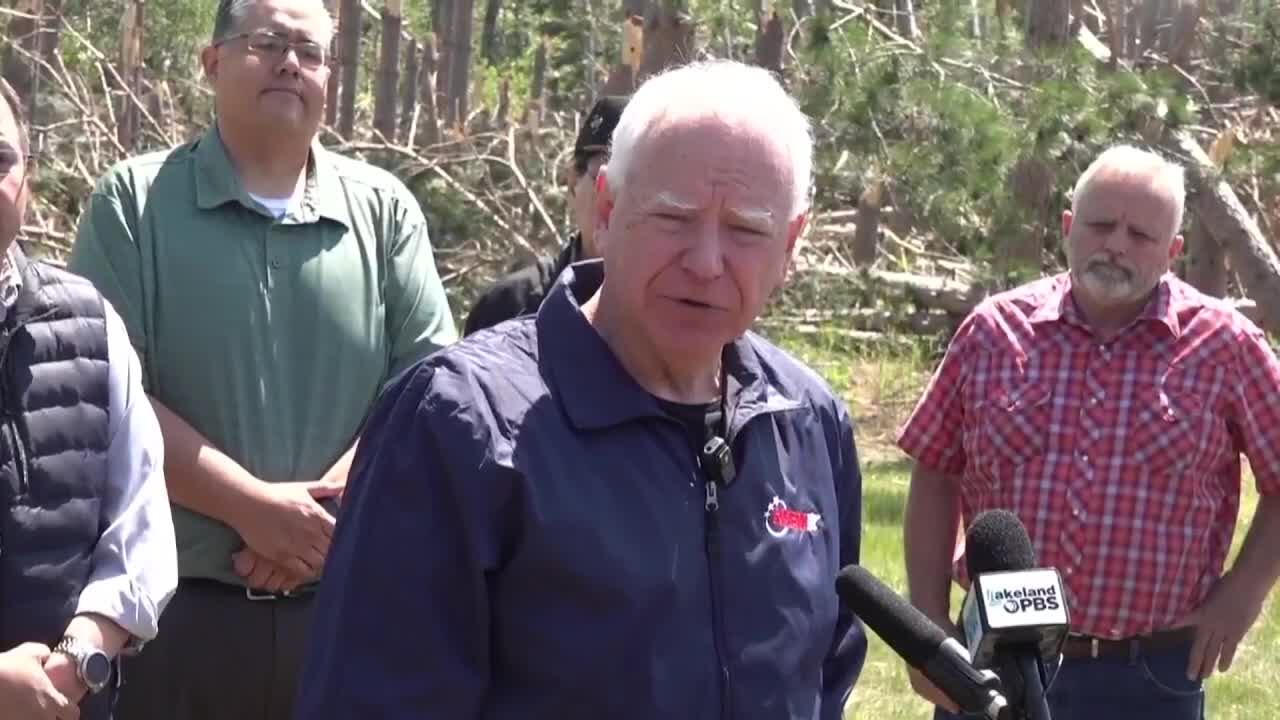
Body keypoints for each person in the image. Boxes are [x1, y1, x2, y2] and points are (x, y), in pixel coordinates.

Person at [295, 59, 867, 719]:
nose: (707, 262)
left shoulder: (807, 424)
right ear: (606, 207)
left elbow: (823, 676)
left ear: (791, 243)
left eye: (746, 231)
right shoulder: (460, 422)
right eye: (674, 218)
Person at [66, 0, 458, 716]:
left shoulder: (385, 212)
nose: (290, 63)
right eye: (268, 42)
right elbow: (105, 396)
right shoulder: (135, 201)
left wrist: (320, 520)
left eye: (310, 51)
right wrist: (252, 508)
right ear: (212, 63)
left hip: (347, 613)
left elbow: (432, 393)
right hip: (172, 624)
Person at [897, 145, 1280, 720]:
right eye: (1101, 225)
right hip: (994, 662)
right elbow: (935, 465)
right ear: (1069, 228)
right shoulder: (993, 332)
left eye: (1141, 234)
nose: (1117, 244)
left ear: (1173, 252)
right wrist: (928, 614)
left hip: (1149, 673)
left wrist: (1244, 592)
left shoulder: (1225, 346)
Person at [0, 79, 177, 720]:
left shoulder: (89, 323)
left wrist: (81, 655)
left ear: (29, 179)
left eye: (1, 159)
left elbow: (140, 519)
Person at [463, 94, 629, 335]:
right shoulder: (507, 308)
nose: (615, 201)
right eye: (606, 180)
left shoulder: (681, 320)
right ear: (573, 180)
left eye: (637, 185)